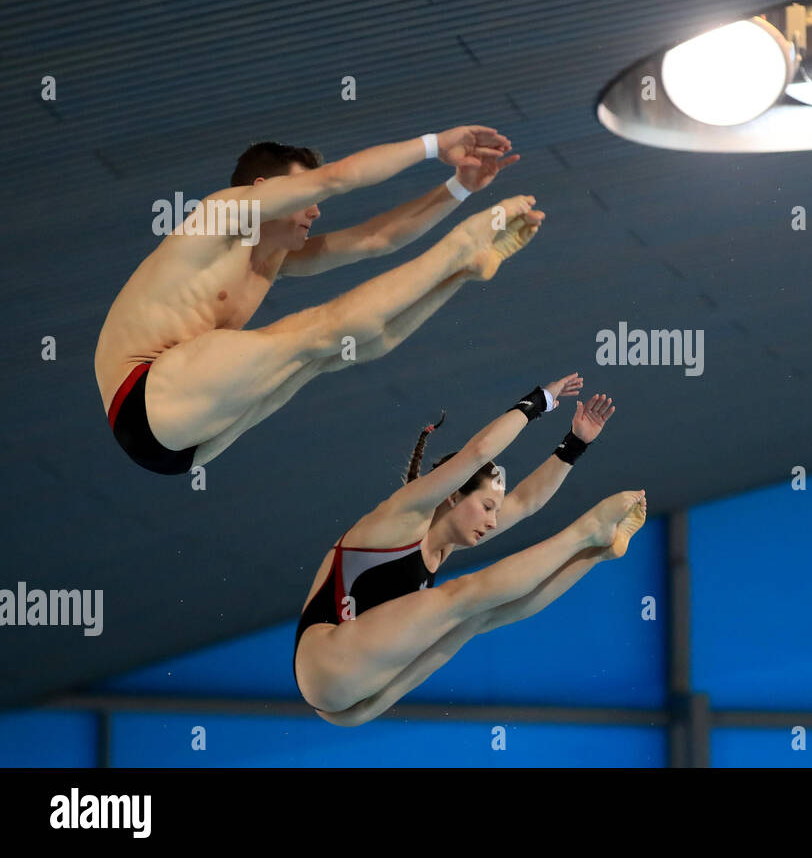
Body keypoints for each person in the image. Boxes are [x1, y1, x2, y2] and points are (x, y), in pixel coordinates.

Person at [95, 125, 540, 474]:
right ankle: (459, 248)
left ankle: (462, 270)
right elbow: (338, 178)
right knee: (321, 329)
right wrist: (433, 145)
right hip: (143, 397)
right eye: (303, 195)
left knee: (334, 353)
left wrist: (459, 187)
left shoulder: (274, 256)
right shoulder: (220, 216)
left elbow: (377, 239)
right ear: (265, 189)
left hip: (186, 444)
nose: (316, 209)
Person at [292, 373, 646, 727]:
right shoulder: (401, 518)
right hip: (326, 662)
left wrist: (574, 444)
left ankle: (596, 551)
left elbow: (525, 501)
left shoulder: (439, 548)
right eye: (487, 507)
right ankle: (586, 532)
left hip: (354, 696)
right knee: (462, 596)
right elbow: (479, 451)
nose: (494, 521)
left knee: (480, 617)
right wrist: (540, 401)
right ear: (452, 493)